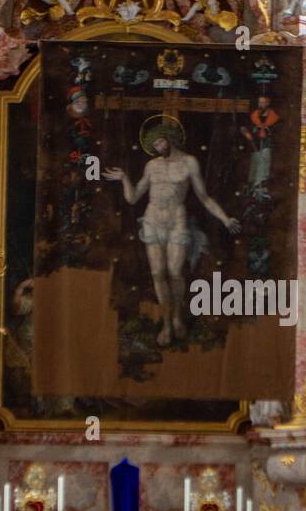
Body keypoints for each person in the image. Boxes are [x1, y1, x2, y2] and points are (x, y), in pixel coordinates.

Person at [103, 120, 240, 346]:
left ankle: (177, 315)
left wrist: (225, 218)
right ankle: (166, 322)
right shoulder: (151, 166)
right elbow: (133, 198)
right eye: (154, 144)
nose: (158, 147)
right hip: (152, 220)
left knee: (175, 272)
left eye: (160, 141)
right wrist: (124, 179)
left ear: (170, 138)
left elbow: (204, 197)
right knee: (158, 273)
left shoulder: (189, 163)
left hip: (176, 219)